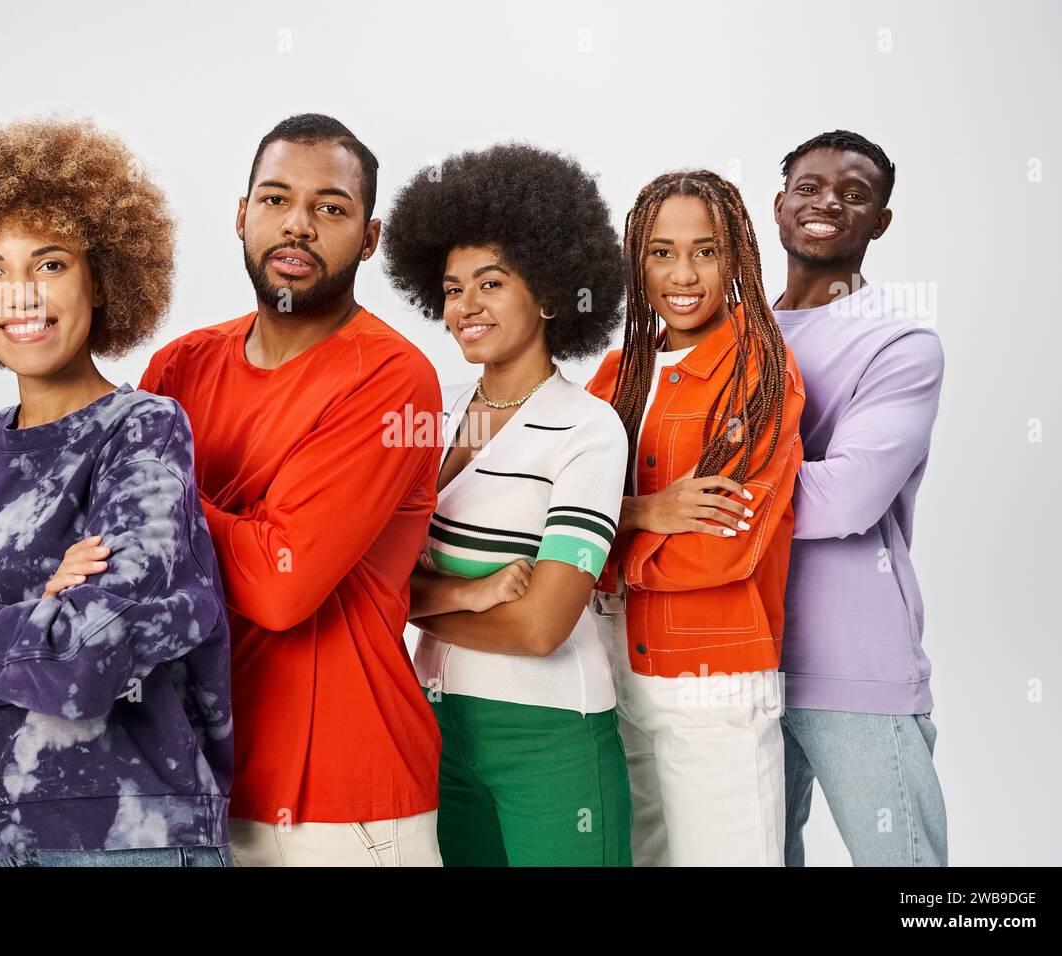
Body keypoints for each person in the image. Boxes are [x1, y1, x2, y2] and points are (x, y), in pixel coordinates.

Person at [0, 116, 234, 867]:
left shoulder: (144, 432)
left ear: (102, 274)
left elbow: (89, 663)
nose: (19, 295)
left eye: (50, 263)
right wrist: (36, 625)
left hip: (125, 845)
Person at [137, 114, 443, 866]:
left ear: (369, 238)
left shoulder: (392, 378)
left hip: (342, 809)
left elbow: (281, 588)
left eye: (331, 208)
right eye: (275, 200)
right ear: (242, 216)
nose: (298, 225)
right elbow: (126, 569)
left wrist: (155, 497)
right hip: (193, 788)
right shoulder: (178, 367)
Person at [384, 143, 631, 866]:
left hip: (549, 734)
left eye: (491, 283)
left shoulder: (587, 429)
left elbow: (539, 627)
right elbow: (376, 580)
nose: (466, 306)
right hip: (438, 726)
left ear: (550, 292)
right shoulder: (432, 412)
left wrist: (412, 598)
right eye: (454, 288)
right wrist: (473, 590)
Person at [587, 170, 806, 866]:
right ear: (637, 260)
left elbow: (722, 547)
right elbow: (543, 513)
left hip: (713, 685)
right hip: (615, 676)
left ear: (737, 256)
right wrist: (648, 510)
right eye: (661, 251)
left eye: (706, 251)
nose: (683, 274)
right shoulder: (617, 373)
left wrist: (597, 547)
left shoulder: (759, 371)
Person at [771, 130, 947, 866]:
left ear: (880, 221)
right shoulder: (720, 329)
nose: (826, 204)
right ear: (779, 205)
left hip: (852, 666)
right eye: (809, 188)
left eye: (854, 194)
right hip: (733, 661)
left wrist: (691, 502)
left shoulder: (900, 343)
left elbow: (844, 500)